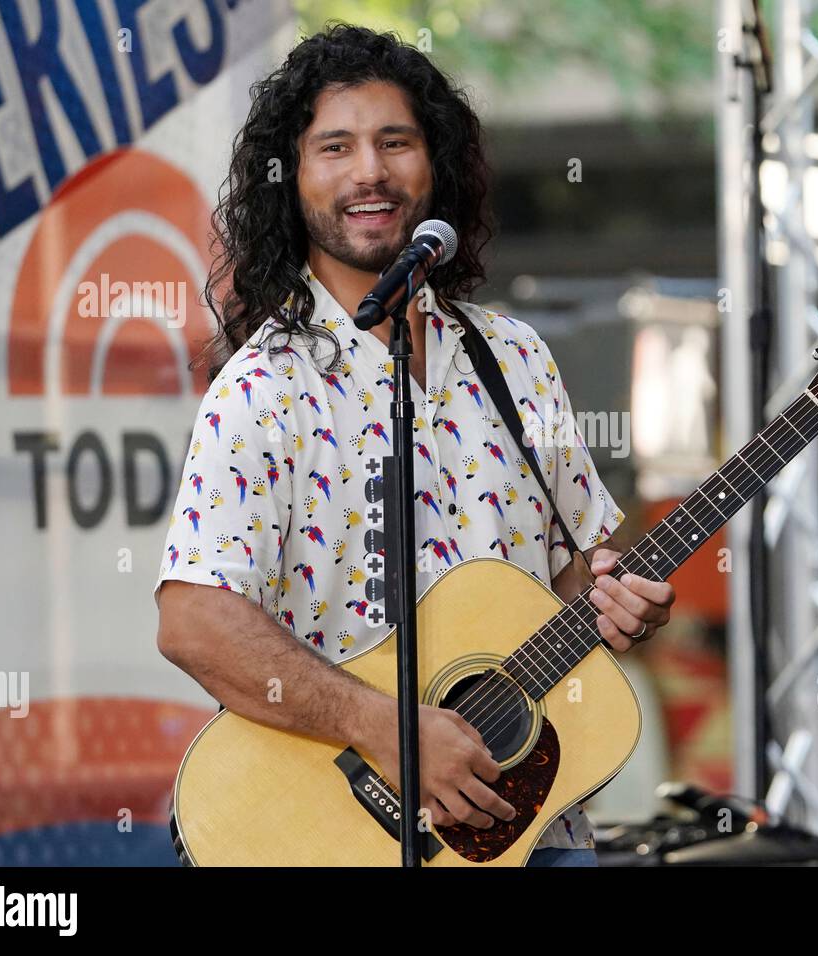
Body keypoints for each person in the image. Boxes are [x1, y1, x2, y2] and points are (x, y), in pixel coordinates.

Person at [153, 23, 674, 868]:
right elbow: (194, 621)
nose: (370, 171)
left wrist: (622, 601)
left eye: (395, 142)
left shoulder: (515, 359)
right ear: (293, 181)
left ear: (434, 168)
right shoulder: (262, 391)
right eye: (336, 147)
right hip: (336, 834)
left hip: (522, 821)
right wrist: (389, 731)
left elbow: (580, 568)